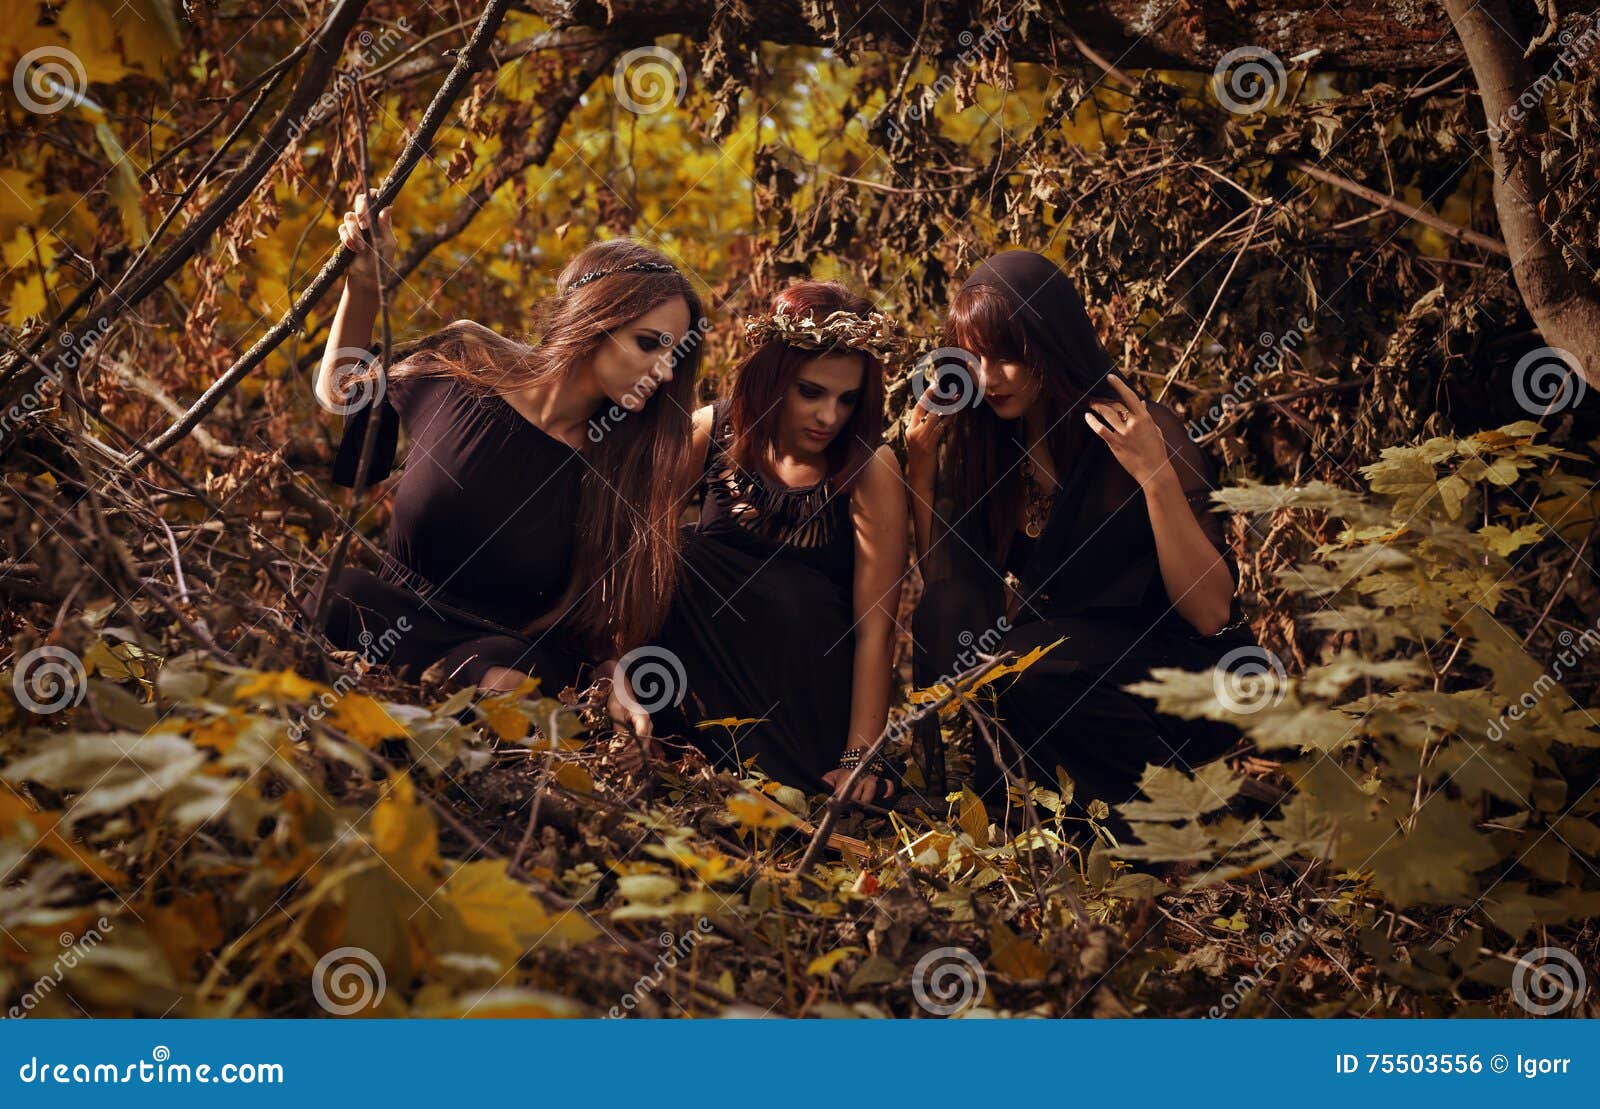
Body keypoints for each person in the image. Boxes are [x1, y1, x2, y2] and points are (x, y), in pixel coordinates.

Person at [304, 191, 704, 735]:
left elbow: (592, 627)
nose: (664, 371)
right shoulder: (466, 364)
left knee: (505, 682)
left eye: (674, 355)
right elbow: (342, 390)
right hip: (390, 616)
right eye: (649, 343)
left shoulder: (620, 466)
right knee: (336, 594)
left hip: (500, 656)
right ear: (595, 316)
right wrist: (365, 286)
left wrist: (615, 677)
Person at [905, 249, 1253, 836]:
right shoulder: (990, 446)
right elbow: (953, 589)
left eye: (1007, 356)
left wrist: (1154, 475)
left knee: (1024, 665)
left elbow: (1211, 610)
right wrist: (920, 470)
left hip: (1178, 670)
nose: (988, 378)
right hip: (1060, 672)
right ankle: (1067, 824)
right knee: (983, 644)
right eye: (974, 358)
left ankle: (1181, 818)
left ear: (1051, 341)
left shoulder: (1138, 430)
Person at [646, 282, 908, 802]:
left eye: (847, 399)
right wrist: (617, 679)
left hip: (804, 690)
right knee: (677, 554)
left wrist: (857, 759)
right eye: (811, 392)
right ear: (772, 378)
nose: (829, 417)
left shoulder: (871, 468)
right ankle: (670, 735)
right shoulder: (711, 431)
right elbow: (639, 558)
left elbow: (876, 630)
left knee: (789, 591)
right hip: (698, 676)